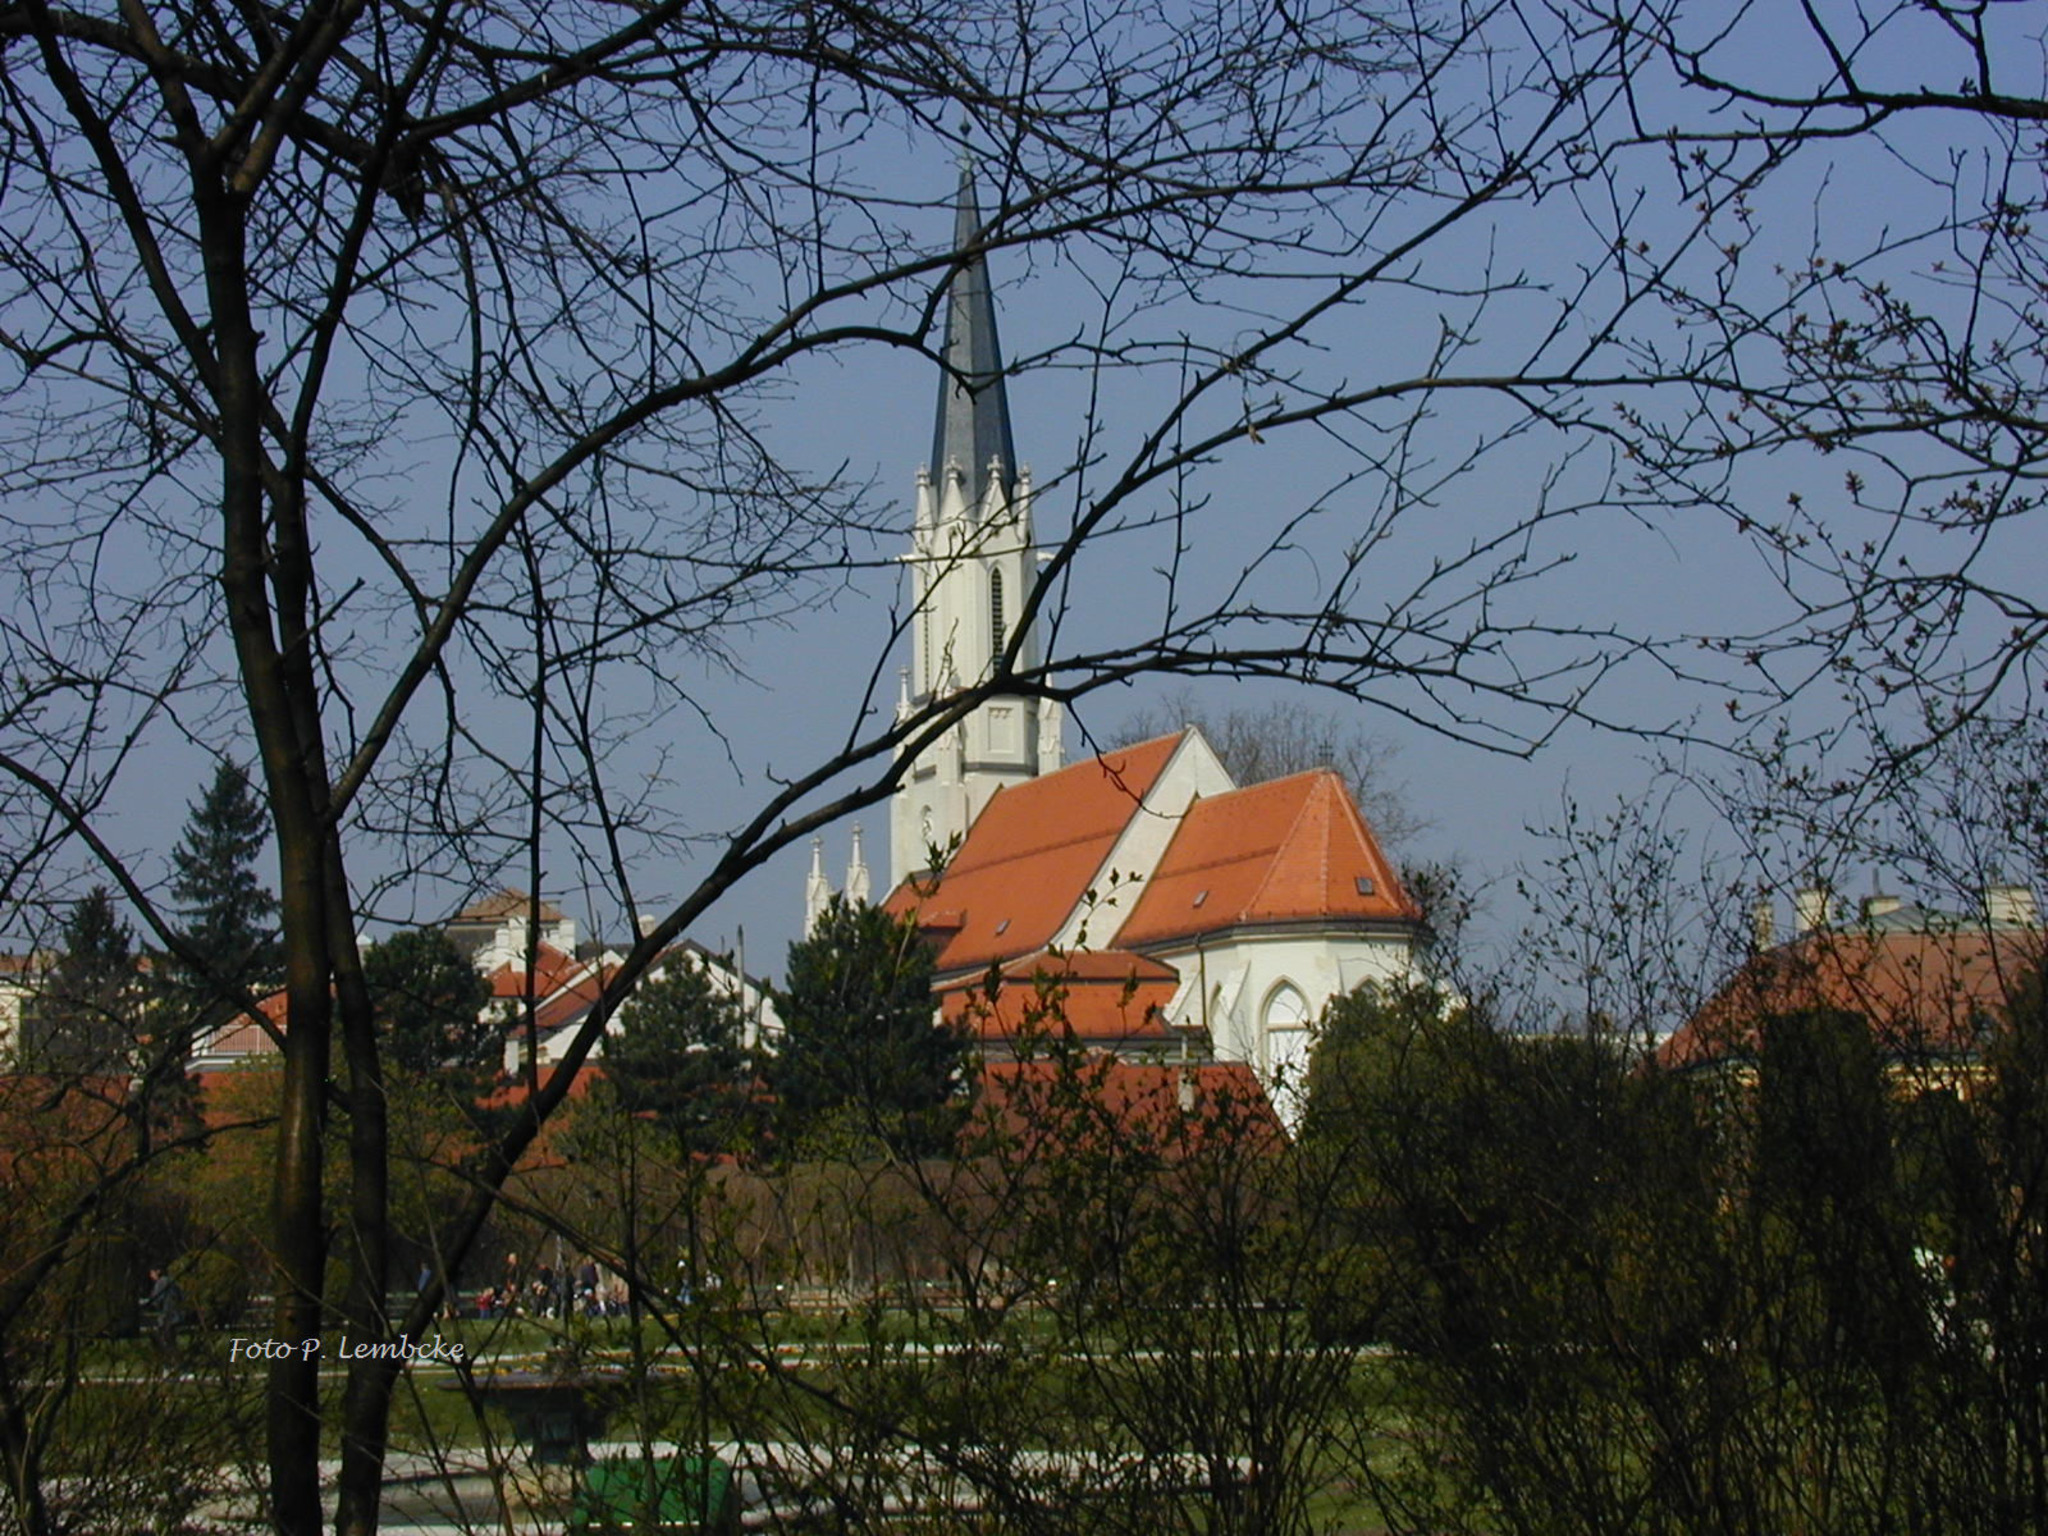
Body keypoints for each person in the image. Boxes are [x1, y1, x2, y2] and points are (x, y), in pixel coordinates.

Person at [146, 1266, 186, 1359]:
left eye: (152, 1273)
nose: (151, 1276)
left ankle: (172, 1360)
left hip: (167, 1316)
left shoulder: (161, 1283)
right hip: (176, 1315)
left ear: (158, 1271)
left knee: (166, 1340)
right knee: (171, 1339)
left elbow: (156, 1299)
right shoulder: (173, 1281)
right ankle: (175, 1359)